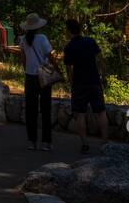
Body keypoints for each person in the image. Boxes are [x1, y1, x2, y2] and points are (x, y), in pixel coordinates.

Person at [63, 18, 109, 153]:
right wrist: (101, 74)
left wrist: (71, 82)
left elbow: (68, 68)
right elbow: (99, 59)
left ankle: (84, 143)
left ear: (69, 31)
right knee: (100, 111)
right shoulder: (90, 41)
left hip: (79, 83)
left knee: (80, 113)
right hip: (94, 80)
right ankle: (105, 142)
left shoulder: (69, 47)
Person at [18, 13, 60, 151]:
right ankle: (46, 142)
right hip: (44, 76)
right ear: (38, 26)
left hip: (30, 77)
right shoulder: (42, 38)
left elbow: (23, 59)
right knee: (45, 108)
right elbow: (50, 55)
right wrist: (57, 69)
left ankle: (32, 141)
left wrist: (28, 69)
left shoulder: (23, 40)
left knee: (31, 110)